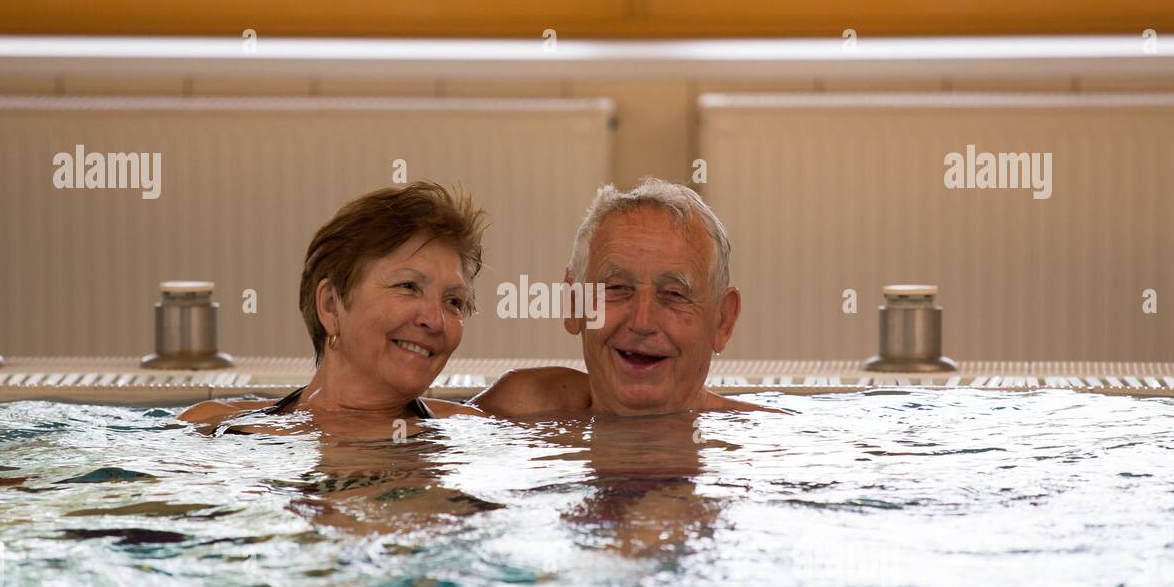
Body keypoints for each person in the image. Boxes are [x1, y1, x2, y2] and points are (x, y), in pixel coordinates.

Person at [180, 181, 487, 433]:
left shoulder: (472, 432)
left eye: (453, 302)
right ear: (330, 306)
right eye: (407, 287)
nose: (436, 320)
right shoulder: (213, 425)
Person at [473, 177, 774, 418]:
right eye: (616, 288)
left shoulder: (762, 449)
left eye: (673, 294)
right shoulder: (514, 414)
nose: (642, 322)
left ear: (723, 321)